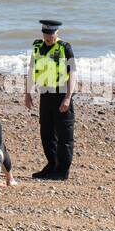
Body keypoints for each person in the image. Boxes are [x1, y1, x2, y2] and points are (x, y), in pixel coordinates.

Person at [24, 19, 76, 180]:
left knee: (64, 134)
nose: (48, 37)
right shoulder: (38, 46)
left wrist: (68, 97)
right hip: (45, 94)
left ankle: (62, 170)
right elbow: (32, 69)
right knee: (46, 132)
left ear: (56, 33)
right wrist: (27, 93)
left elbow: (73, 72)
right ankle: (52, 164)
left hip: (61, 95)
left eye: (51, 34)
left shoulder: (64, 48)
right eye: (46, 33)